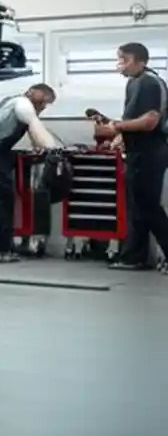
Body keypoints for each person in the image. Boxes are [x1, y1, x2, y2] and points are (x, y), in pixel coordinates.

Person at [94, 43, 168, 273]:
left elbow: (150, 121)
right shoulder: (134, 83)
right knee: (137, 207)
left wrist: (115, 127)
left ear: (141, 61)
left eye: (124, 59)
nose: (120, 64)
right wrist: (118, 137)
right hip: (137, 152)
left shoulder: (148, 82)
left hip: (151, 152)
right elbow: (133, 121)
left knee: (148, 207)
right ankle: (133, 257)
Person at [0, 83, 60, 263]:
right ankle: (0, 249)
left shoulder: (13, 104)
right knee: (3, 200)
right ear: (32, 92)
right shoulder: (22, 104)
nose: (43, 106)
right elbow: (35, 126)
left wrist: (40, 147)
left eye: (46, 105)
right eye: (43, 101)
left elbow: (32, 131)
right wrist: (54, 149)